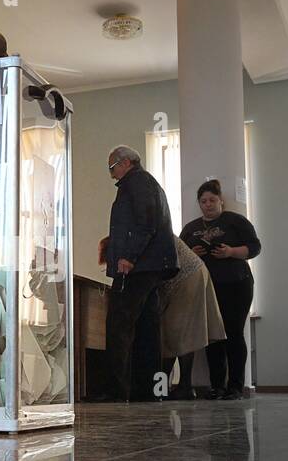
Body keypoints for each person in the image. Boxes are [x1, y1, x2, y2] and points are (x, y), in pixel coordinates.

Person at [104, 146, 178, 401]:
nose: (112, 176)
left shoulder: (136, 183)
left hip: (137, 267)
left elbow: (145, 223)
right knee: (147, 329)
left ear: (125, 163)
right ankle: (147, 391)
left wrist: (128, 257)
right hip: (150, 268)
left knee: (119, 325)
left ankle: (117, 391)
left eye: (112, 168)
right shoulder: (148, 183)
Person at [180, 179, 260, 399]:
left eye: (212, 200)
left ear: (221, 201)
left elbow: (255, 247)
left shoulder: (236, 221)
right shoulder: (191, 228)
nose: (208, 204)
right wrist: (192, 255)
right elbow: (178, 256)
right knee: (213, 336)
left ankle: (235, 386)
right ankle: (217, 386)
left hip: (237, 284)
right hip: (206, 287)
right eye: (203, 201)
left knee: (233, 333)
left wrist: (231, 252)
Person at [157, 238, 227, 400]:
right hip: (193, 273)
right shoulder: (149, 230)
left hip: (185, 277)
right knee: (178, 333)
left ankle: (165, 389)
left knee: (172, 333)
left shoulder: (141, 237)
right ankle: (174, 387)